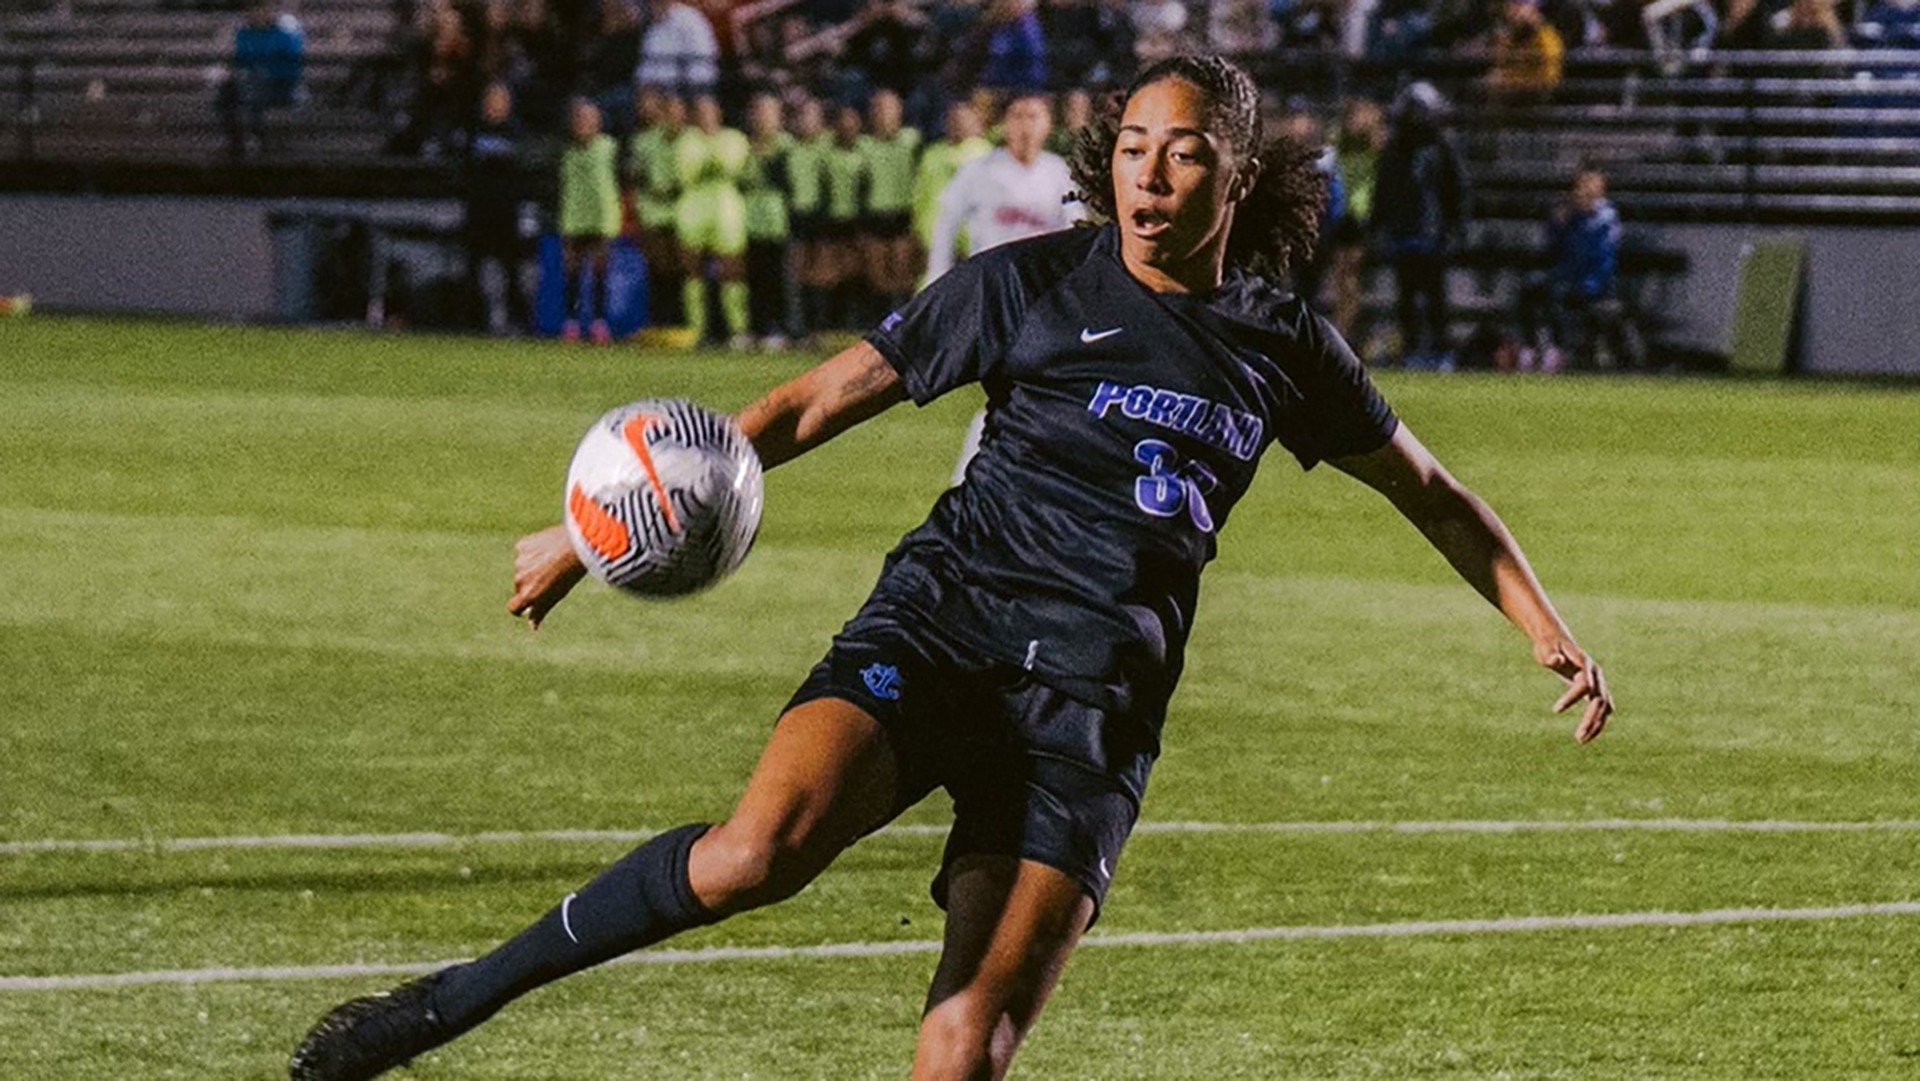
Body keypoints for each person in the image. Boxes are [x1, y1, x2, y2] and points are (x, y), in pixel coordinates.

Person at [289, 55, 1613, 1081]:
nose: (1151, 178)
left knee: (965, 1044)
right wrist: (593, 531)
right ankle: (445, 1004)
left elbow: (1434, 495)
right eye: (1136, 150)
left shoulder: (1285, 348)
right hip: (945, 625)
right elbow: (810, 406)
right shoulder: (1027, 283)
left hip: (1093, 707)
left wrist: (1544, 629)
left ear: (1242, 174)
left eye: (1186, 156)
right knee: (755, 853)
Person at [928, 91, 1083, 483]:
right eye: (1017, 115)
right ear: (1004, 124)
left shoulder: (1058, 173)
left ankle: (990, 474)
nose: (1025, 125)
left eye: (1034, 116)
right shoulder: (981, 171)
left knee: (1028, 392)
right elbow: (947, 220)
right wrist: (938, 277)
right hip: (996, 299)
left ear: (1048, 125)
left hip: (1046, 302)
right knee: (1011, 390)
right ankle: (975, 476)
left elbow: (1076, 233)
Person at [1372, 81, 1468, 370]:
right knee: (1407, 298)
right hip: (1405, 235)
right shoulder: (1394, 152)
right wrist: (1379, 224)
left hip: (1433, 235)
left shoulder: (1442, 150)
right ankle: (1411, 348)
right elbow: (1384, 191)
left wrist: (1455, 226)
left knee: (1436, 297)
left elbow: (1457, 189)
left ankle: (1441, 350)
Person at [1514, 166, 1624, 372]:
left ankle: (1557, 351)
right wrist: (1557, 225)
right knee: (1528, 290)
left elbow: (1602, 262)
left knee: (1557, 293)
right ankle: (1529, 348)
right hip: (1567, 276)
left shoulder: (1605, 220)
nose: (1580, 194)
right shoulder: (1573, 216)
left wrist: (1584, 285)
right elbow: (1552, 250)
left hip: (1593, 284)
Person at [675, 95, 753, 347]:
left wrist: (708, 159)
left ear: (718, 113)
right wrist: (713, 160)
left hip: (726, 211)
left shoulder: (734, 137)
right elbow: (687, 173)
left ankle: (737, 330)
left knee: (732, 271)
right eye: (700, 112)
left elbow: (732, 167)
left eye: (709, 111)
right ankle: (697, 330)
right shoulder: (686, 140)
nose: (705, 117)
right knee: (693, 270)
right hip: (693, 210)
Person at [463, 81, 531, 335]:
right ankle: (474, 321)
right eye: (491, 100)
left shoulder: (515, 132)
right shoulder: (473, 131)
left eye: (500, 101)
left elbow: (520, 168)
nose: (495, 106)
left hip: (505, 212)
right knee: (474, 266)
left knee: (510, 269)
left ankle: (518, 321)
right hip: (479, 210)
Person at [556, 99, 622, 343]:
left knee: (599, 273)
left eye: (589, 118)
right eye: (579, 118)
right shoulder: (565, 151)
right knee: (572, 273)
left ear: (599, 122)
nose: (584, 123)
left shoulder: (609, 147)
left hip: (602, 218)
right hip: (573, 217)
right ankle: (571, 323)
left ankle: (599, 323)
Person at [858, 89, 924, 321]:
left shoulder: (912, 140)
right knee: (877, 275)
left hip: (903, 212)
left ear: (900, 111)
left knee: (902, 271)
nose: (883, 113)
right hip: (874, 213)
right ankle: (881, 323)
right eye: (878, 108)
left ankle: (904, 322)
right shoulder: (863, 144)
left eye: (889, 108)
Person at [628, 89, 687, 332]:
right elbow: (637, 177)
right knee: (657, 268)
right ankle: (659, 321)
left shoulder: (688, 139)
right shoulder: (644, 140)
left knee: (681, 267)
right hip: (654, 211)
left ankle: (680, 320)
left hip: (682, 211)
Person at [215, 1, 306, 158]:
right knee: (227, 90)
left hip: (279, 85)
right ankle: (236, 142)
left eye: (264, 9)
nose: (259, 14)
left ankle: (258, 138)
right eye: (254, 10)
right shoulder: (244, 34)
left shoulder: (286, 35)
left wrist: (262, 70)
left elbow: (292, 68)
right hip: (250, 83)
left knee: (253, 87)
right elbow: (239, 61)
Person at [911, 100, 993, 270]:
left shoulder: (987, 153)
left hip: (974, 242)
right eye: (953, 120)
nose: (957, 124)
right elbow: (920, 196)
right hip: (934, 240)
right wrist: (918, 231)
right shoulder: (932, 154)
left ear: (976, 123)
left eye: (963, 119)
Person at [742, 92, 795, 348]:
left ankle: (780, 328)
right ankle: (756, 328)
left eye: (769, 113)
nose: (763, 118)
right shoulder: (744, 147)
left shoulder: (785, 146)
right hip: (751, 220)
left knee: (777, 278)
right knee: (755, 278)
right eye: (759, 112)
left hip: (776, 220)